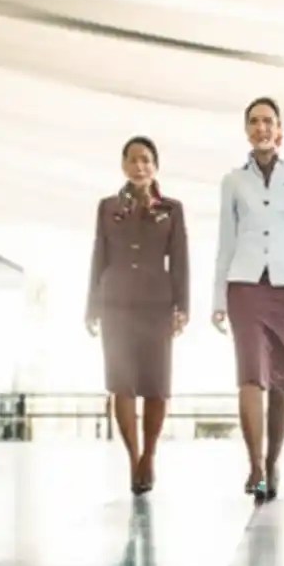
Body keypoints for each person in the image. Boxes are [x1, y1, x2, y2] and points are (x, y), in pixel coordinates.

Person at [211, 97, 284, 502]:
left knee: (283, 379)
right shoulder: (233, 182)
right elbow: (225, 240)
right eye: (255, 122)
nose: (262, 128)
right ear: (246, 130)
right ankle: (256, 465)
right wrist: (217, 298)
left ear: (279, 130)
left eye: (269, 122)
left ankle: (274, 459)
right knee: (250, 375)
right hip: (244, 285)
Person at [85, 136, 189, 495]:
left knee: (157, 385)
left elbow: (180, 261)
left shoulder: (171, 209)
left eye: (146, 159)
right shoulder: (107, 206)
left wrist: (182, 306)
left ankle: (150, 455)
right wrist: (91, 305)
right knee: (122, 383)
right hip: (115, 304)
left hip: (156, 306)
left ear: (155, 166)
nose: (139, 166)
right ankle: (133, 459)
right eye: (132, 160)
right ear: (124, 166)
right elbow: (99, 255)